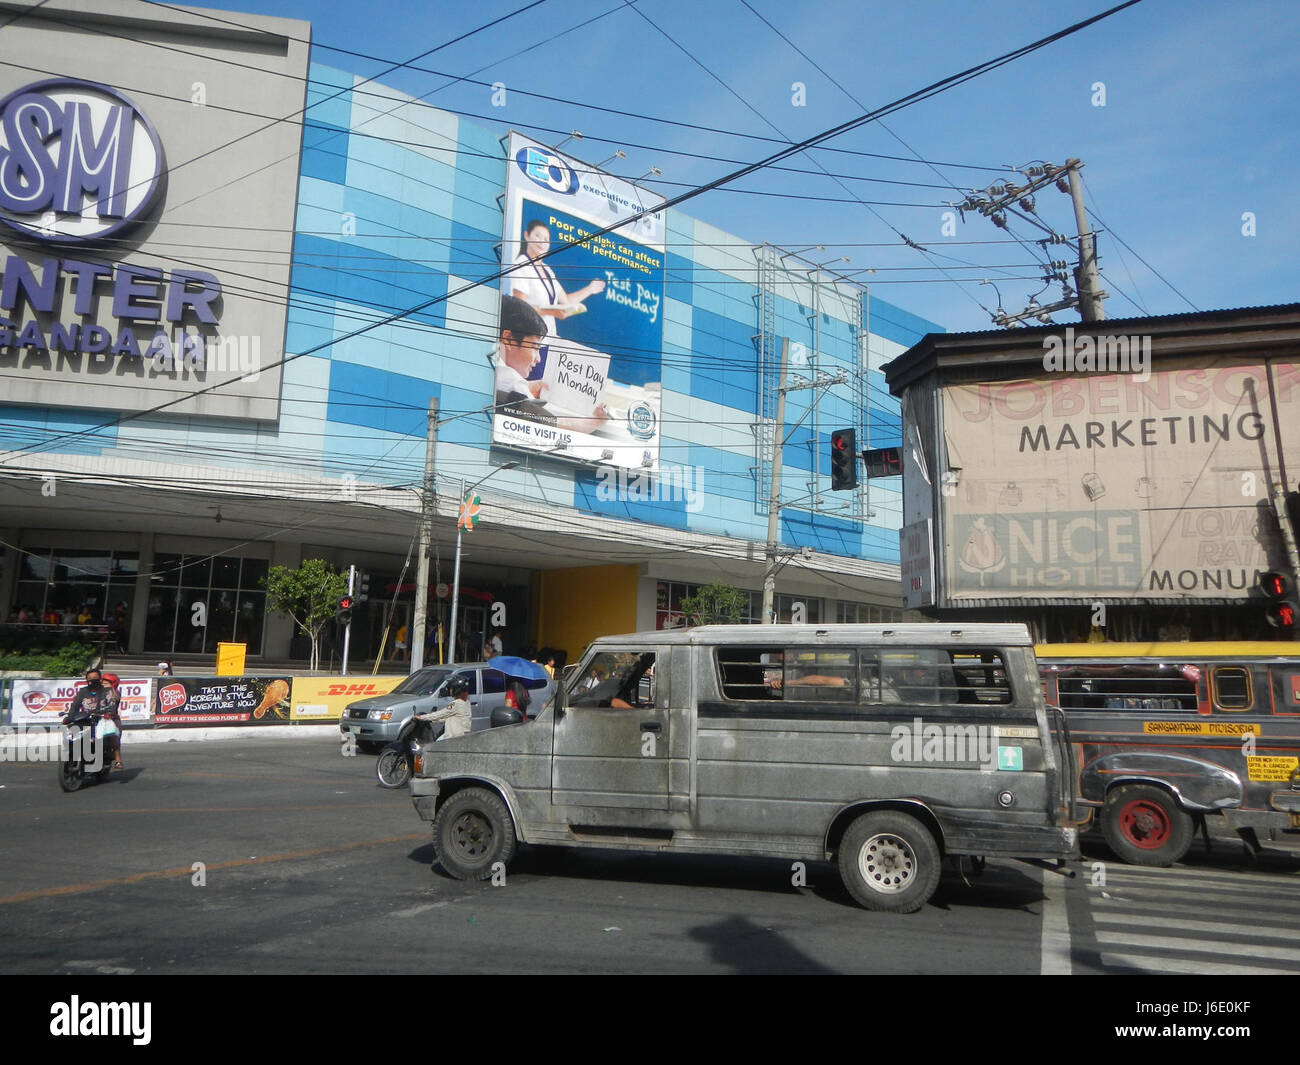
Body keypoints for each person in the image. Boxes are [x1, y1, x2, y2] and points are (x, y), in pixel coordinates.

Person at [493, 295, 612, 433]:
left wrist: (528, 388)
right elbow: (551, 423)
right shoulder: (511, 382)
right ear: (509, 339)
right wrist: (595, 422)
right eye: (534, 347)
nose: (538, 359)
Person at [509, 218, 606, 379]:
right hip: (530, 343)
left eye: (546, 239)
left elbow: (566, 300)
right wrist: (551, 312)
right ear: (527, 235)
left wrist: (590, 289)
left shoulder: (547, 270)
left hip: (549, 342)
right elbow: (518, 307)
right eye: (538, 236)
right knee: (529, 391)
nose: (542, 242)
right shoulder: (522, 265)